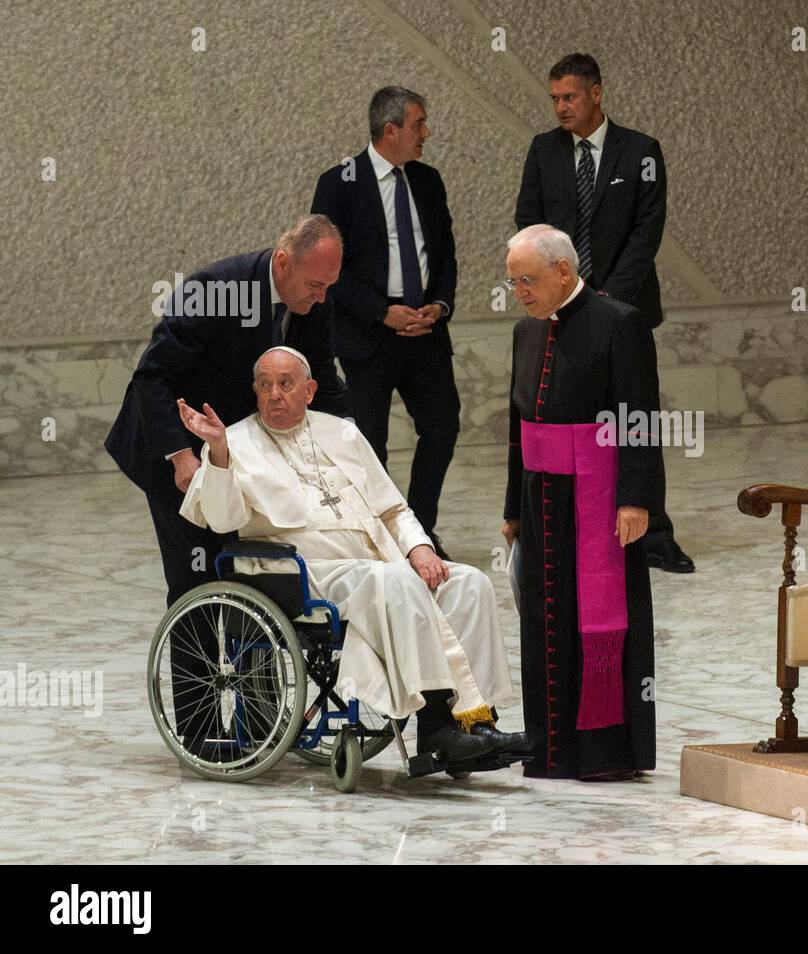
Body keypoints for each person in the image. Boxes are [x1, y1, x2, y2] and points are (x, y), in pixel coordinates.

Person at [177, 346, 526, 770]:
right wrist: (216, 451)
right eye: (264, 385)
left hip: (376, 563)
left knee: (468, 583)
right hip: (307, 573)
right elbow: (219, 518)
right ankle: (436, 729)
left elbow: (392, 507)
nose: (274, 394)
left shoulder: (340, 432)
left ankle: (476, 722)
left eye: (285, 384)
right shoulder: (234, 442)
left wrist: (419, 548)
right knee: (395, 582)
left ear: (309, 390)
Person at [106, 214, 352, 607]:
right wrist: (182, 458)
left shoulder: (315, 298)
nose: (321, 297)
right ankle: (197, 670)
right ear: (284, 262)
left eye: (328, 286)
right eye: (315, 285)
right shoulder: (215, 290)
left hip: (238, 449)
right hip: (175, 448)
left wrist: (348, 438)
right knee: (197, 578)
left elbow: (320, 375)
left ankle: (252, 667)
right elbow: (151, 377)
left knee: (253, 570)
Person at [514, 53, 694, 574]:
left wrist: (607, 302)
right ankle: (577, 518)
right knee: (573, 417)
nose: (560, 107)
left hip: (626, 310)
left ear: (596, 92)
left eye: (569, 97)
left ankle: (654, 531)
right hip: (560, 308)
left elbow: (646, 231)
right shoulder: (544, 151)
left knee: (634, 418)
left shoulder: (641, 151)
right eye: (554, 99)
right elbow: (530, 222)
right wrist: (559, 294)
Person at [502, 225, 659, 780]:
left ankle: (605, 753)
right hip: (540, 496)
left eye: (528, 279)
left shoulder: (619, 322)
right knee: (544, 619)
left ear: (564, 272)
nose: (519, 290)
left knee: (595, 619)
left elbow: (638, 415)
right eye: (513, 280)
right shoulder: (525, 330)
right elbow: (519, 426)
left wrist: (636, 498)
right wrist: (512, 510)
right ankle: (548, 749)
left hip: (597, 497)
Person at [311, 86, 459, 559]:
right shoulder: (339, 183)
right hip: (368, 333)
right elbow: (327, 268)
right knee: (369, 443)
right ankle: (380, 536)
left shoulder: (428, 180)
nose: (426, 134)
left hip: (425, 329)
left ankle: (420, 529)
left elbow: (446, 254)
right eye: (419, 124)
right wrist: (381, 310)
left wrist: (440, 304)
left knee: (443, 425)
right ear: (390, 129)